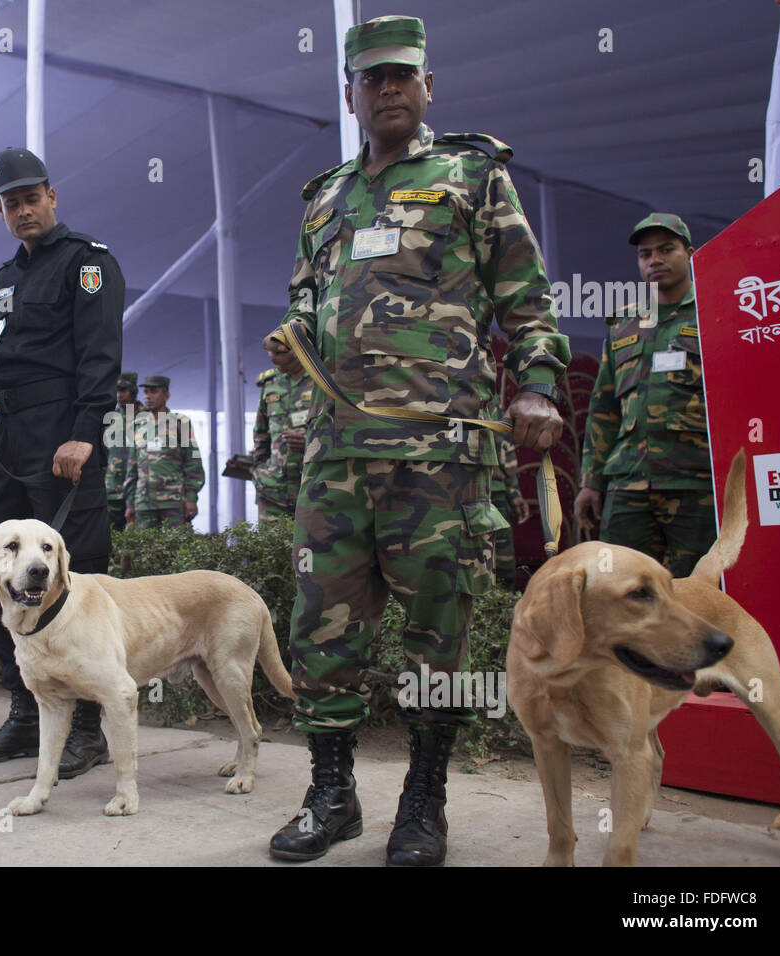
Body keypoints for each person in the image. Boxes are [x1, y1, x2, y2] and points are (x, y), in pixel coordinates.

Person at [260, 16, 569, 866]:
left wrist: (538, 384)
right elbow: (304, 298)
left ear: (428, 86)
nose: (388, 88)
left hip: (441, 456)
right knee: (322, 633)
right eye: (372, 78)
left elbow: (528, 301)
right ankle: (332, 796)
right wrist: (290, 334)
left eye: (403, 75)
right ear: (353, 96)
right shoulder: (324, 197)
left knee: (440, 636)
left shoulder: (472, 174)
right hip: (337, 456)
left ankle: (424, 803)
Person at [0, 146, 123, 778]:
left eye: (32, 198)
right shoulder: (5, 277)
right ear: (0, 211)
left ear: (52, 197)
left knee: (71, 586)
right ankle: (29, 716)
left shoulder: (88, 263)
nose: (23, 210)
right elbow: (8, 359)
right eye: (10, 203)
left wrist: (85, 433)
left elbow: (100, 354)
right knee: (4, 576)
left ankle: (87, 728)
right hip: (11, 440)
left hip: (64, 438)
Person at [574, 214, 714, 576]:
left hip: (695, 483)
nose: (654, 261)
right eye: (645, 254)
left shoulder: (715, 313)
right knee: (621, 590)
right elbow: (603, 408)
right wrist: (590, 482)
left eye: (667, 250)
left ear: (691, 254)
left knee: (698, 593)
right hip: (628, 483)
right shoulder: (623, 323)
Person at [123, 375, 204, 528]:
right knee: (143, 549)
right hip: (143, 503)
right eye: (146, 392)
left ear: (166, 395)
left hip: (173, 501)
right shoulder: (138, 425)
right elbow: (132, 468)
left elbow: (193, 462)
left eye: (153, 392)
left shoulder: (180, 424)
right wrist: (130, 503)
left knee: (178, 548)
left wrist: (191, 498)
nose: (148, 397)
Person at [251, 367, 310, 523]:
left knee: (310, 546)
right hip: (273, 489)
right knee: (270, 546)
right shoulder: (270, 383)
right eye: (271, 352)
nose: (274, 357)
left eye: (280, 351)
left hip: (312, 488)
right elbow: (261, 434)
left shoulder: (321, 378)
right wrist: (258, 472)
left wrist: (311, 443)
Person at [490, 431, 529, 589]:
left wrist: (513, 491)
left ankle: (503, 607)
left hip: (497, 492)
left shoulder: (496, 406)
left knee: (503, 562)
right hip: (464, 488)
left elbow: (504, 439)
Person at [105, 371, 139, 531]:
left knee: (139, 539)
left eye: (123, 390)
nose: (119, 395)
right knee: (112, 536)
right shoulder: (110, 418)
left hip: (139, 489)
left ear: (133, 391)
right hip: (113, 488)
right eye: (117, 391)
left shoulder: (148, 416)